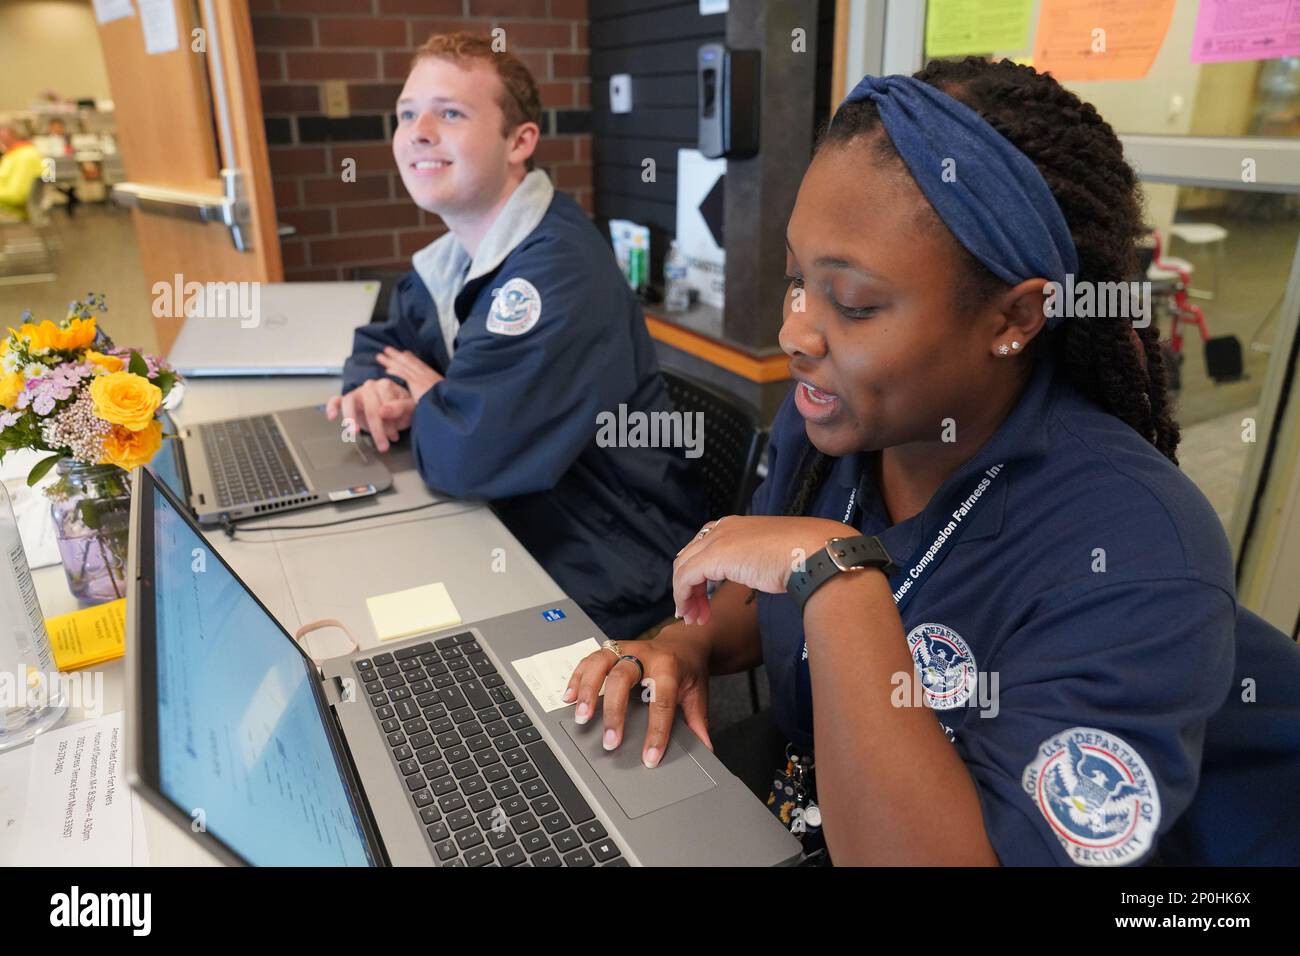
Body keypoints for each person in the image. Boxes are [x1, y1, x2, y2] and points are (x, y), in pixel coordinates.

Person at [563, 58, 1300, 864]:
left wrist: (833, 572)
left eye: (853, 303)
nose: (797, 334)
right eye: (795, 280)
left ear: (1013, 316)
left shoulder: (1138, 553)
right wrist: (683, 645)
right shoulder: (839, 427)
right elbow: (772, 599)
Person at [326, 33, 705, 643]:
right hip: (511, 529)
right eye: (406, 114)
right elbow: (382, 342)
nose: (418, 131)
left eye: (450, 112)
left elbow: (468, 453)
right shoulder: (454, 254)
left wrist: (436, 401)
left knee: (386, 652)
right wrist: (382, 389)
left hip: (606, 570)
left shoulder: (556, 271)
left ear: (519, 142)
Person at [0, 123, 45, 221]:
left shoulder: (24, 157)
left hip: (10, 211)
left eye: (2, 136)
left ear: (14, 135)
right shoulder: (15, 154)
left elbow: (17, 195)